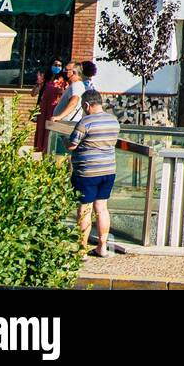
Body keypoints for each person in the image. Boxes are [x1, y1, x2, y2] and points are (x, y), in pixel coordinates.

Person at [67, 90, 120, 257]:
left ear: (87, 105)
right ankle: (102, 247)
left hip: (87, 172)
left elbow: (72, 145)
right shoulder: (113, 121)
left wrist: (64, 140)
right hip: (108, 170)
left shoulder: (85, 122)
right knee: (102, 208)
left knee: (85, 209)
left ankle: (81, 250)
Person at [31, 59, 69, 152]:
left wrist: (62, 92)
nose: (57, 67)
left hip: (54, 109)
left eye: (59, 65)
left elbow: (68, 95)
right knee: (42, 130)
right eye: (55, 64)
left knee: (50, 132)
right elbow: (33, 93)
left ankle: (49, 153)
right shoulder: (45, 78)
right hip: (43, 108)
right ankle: (42, 154)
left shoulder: (64, 81)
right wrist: (38, 83)